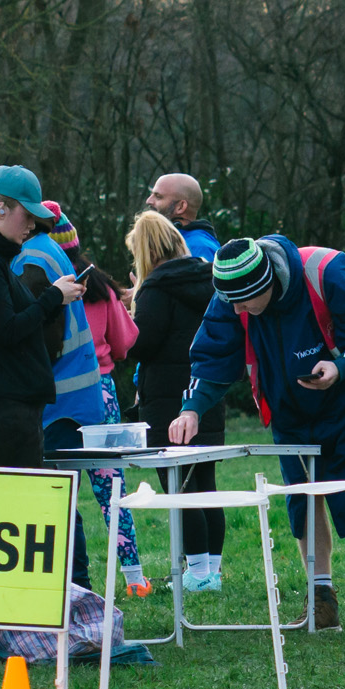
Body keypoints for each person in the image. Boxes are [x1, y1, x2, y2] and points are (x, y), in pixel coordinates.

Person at [171, 235, 345, 631]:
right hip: (289, 413)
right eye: (232, 303)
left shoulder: (328, 271)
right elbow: (213, 355)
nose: (237, 310)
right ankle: (320, 598)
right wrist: (192, 409)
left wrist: (341, 366)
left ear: (268, 283)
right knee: (303, 501)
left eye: (245, 303)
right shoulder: (232, 294)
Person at [30, 202, 142, 595]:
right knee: (111, 487)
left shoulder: (38, 286)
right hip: (100, 394)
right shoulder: (101, 288)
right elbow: (125, 342)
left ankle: (64, 577)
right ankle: (134, 577)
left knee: (59, 489)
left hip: (51, 399)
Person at [129, 211, 231, 595]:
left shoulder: (155, 288)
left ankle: (197, 572)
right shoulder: (210, 279)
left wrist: (129, 313)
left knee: (179, 487)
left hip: (166, 400)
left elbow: (142, 344)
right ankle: (212, 571)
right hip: (204, 394)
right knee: (206, 484)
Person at [0, 166, 81, 470]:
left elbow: (15, 325)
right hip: (0, 411)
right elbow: (8, 330)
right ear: (1, 209)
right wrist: (52, 297)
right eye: (27, 215)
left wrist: (54, 300)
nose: (32, 225)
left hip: (8, 408)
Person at [147, 173, 222, 261]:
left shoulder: (199, 247)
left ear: (180, 207)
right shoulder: (173, 242)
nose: (148, 201)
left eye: (158, 197)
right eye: (151, 194)